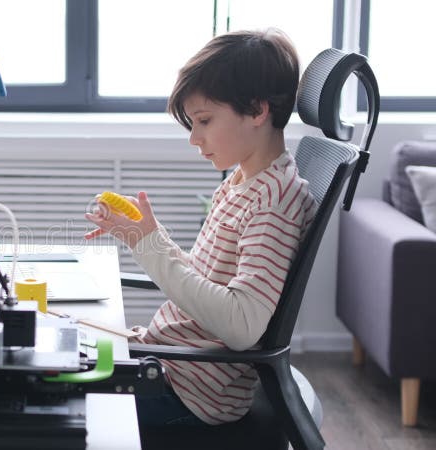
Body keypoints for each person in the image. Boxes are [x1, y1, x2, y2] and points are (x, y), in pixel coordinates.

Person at [84, 28, 316, 427]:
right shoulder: (246, 181)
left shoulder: (274, 202)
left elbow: (241, 326)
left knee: (54, 407)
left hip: (188, 391)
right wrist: (147, 239)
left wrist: (151, 250)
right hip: (170, 364)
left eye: (205, 121)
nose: (194, 138)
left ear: (258, 110)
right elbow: (208, 280)